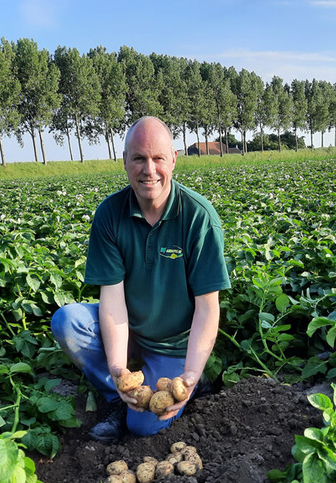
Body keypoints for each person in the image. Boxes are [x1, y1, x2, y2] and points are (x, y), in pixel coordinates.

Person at [50, 116, 231, 443]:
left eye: (158, 158)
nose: (149, 170)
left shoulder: (199, 217)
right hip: (130, 331)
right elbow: (112, 300)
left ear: (173, 159)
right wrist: (118, 370)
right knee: (68, 322)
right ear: (125, 161)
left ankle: (193, 380)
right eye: (139, 158)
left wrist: (189, 374)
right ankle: (115, 398)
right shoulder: (110, 214)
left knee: (144, 426)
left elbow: (207, 307)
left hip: (174, 343)